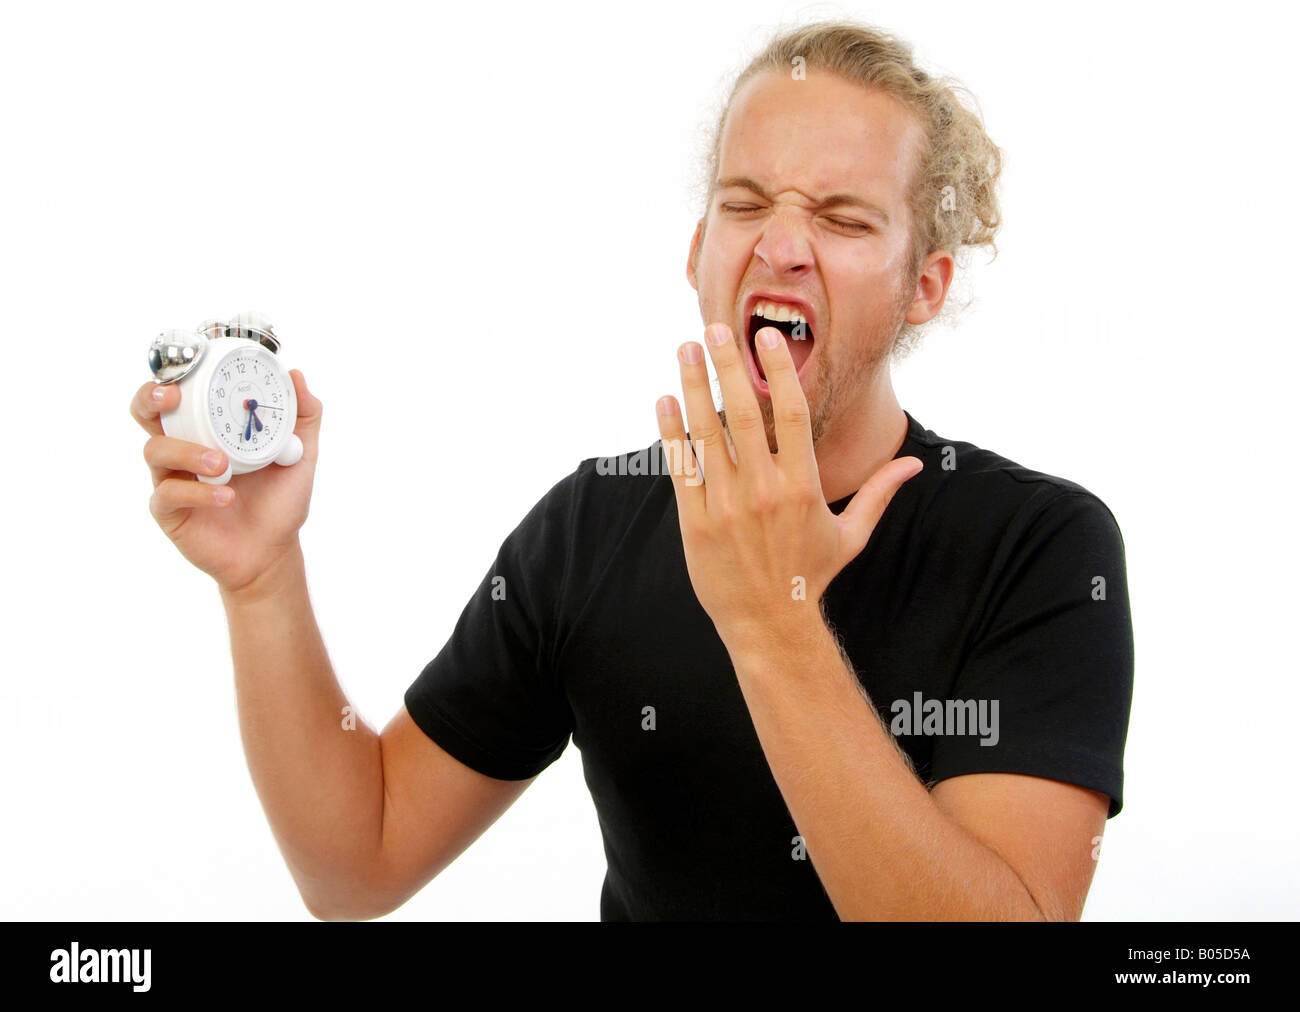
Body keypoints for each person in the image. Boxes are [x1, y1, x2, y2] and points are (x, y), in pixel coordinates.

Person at [131, 20, 1133, 921]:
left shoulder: (1040, 548)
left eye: (841, 218)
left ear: (924, 284)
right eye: (745, 204)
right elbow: (357, 867)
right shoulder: (590, 526)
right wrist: (264, 581)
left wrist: (773, 621)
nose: (781, 244)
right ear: (700, 251)